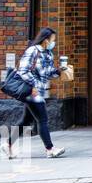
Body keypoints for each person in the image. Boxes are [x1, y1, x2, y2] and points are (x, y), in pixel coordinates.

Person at [7, 27, 68, 158]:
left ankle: (8, 145)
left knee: (26, 120)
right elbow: (23, 71)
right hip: (31, 91)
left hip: (38, 90)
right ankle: (50, 149)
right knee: (42, 119)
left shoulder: (48, 54)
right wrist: (33, 86)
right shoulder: (32, 51)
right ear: (46, 40)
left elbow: (48, 73)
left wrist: (59, 71)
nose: (54, 42)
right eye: (53, 39)